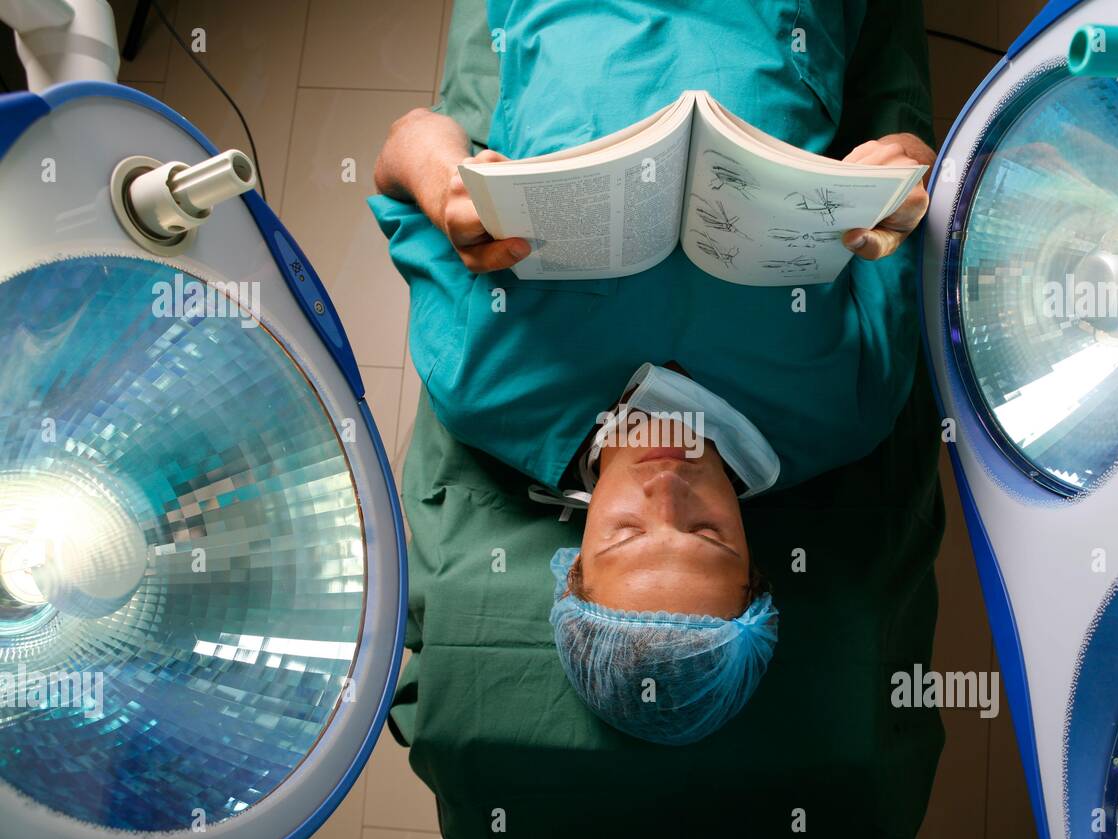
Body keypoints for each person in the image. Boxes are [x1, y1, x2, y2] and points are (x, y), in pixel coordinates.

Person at [371, 0, 935, 744]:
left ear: (571, 566)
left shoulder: (482, 389)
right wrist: (896, 176)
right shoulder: (848, 407)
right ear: (754, 566)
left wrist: (447, 186)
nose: (666, 488)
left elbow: (403, 147)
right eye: (706, 533)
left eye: (627, 532)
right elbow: (910, 178)